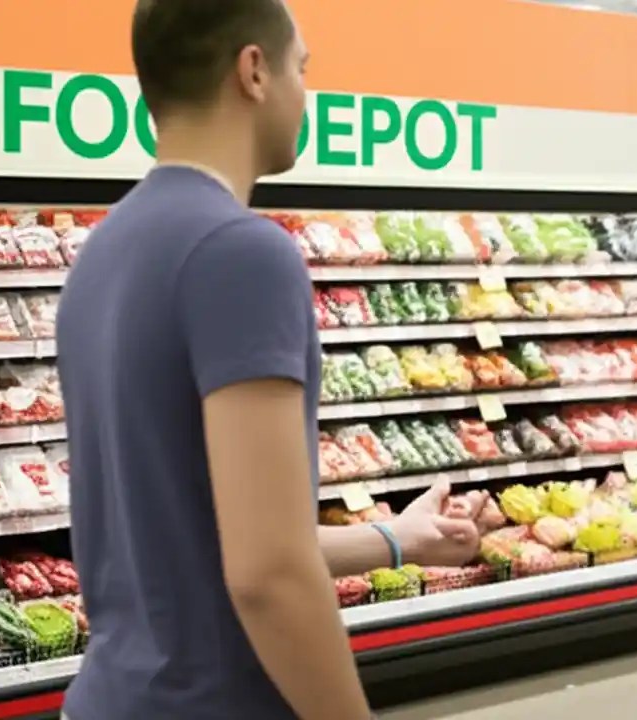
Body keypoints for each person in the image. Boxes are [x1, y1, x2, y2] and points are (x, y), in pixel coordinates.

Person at [55, 2, 480, 719]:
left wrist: (394, 539)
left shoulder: (99, 256)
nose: (304, 95)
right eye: (302, 69)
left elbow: (201, 536)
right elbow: (266, 572)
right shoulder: (241, 251)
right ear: (254, 71)